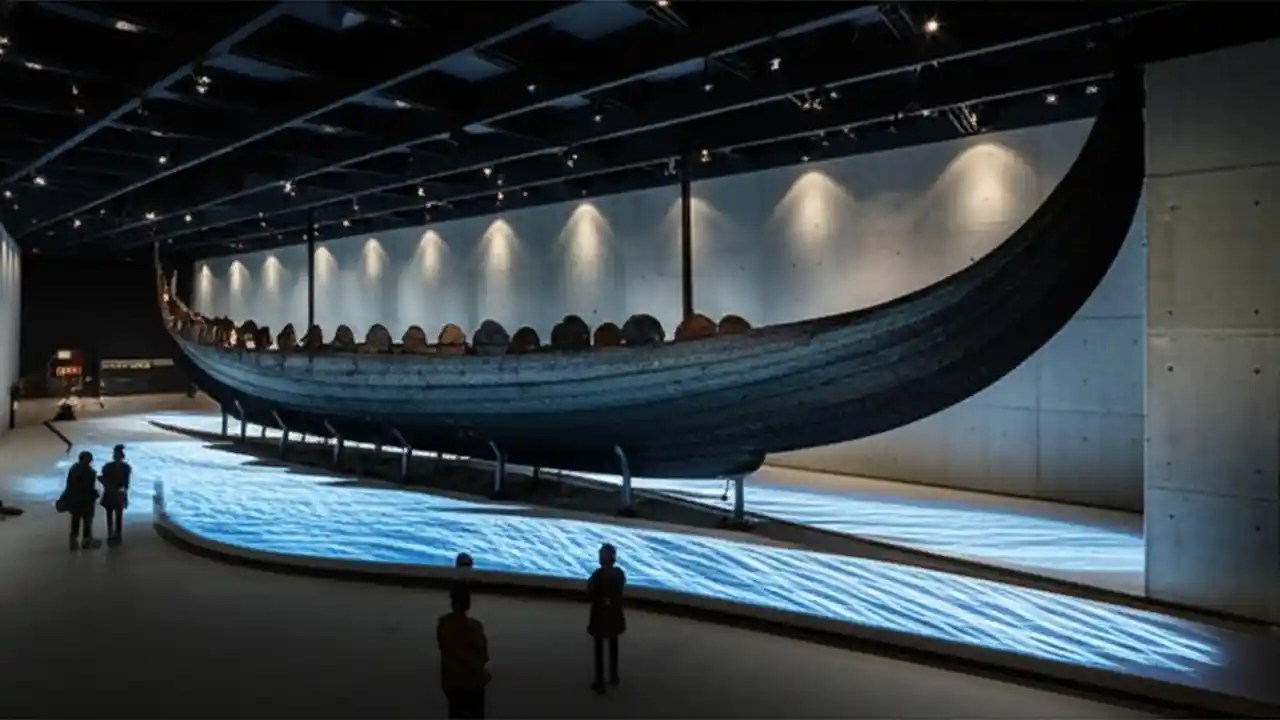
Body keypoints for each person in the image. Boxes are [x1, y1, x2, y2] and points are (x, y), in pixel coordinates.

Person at [437, 584, 490, 719]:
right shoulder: (474, 627)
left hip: (454, 682)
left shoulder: (445, 624)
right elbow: (481, 655)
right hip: (471, 683)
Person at [587, 542, 626, 694]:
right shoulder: (619, 573)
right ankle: (614, 676)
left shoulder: (598, 574)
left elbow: (590, 592)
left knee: (599, 649)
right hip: (615, 616)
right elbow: (620, 591)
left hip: (599, 616)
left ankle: (599, 681)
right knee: (613, 645)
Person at [59, 451, 100, 550]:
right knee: (87, 521)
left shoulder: (73, 470)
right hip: (86, 501)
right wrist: (95, 494)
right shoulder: (90, 472)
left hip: (75, 499)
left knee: (75, 520)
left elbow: (69, 485)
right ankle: (86, 540)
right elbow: (89, 487)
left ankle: (73, 540)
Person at [99, 444, 131, 546]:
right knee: (118, 515)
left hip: (110, 493)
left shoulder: (107, 467)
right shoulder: (126, 467)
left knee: (110, 515)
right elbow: (126, 484)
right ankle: (117, 534)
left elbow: (103, 479)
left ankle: (111, 533)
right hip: (118, 494)